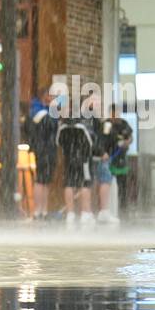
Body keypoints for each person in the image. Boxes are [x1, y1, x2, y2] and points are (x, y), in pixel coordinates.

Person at [56, 88, 97, 228]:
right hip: (84, 158)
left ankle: (70, 214)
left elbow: (58, 141)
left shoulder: (63, 125)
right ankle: (85, 213)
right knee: (85, 183)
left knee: (69, 183)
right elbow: (90, 141)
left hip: (69, 158)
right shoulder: (82, 123)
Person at [26, 84, 61, 222]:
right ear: (45, 96)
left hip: (50, 148)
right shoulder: (37, 111)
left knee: (46, 180)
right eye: (51, 95)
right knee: (40, 179)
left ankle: (44, 210)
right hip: (42, 149)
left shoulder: (48, 111)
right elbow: (47, 126)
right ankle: (37, 210)